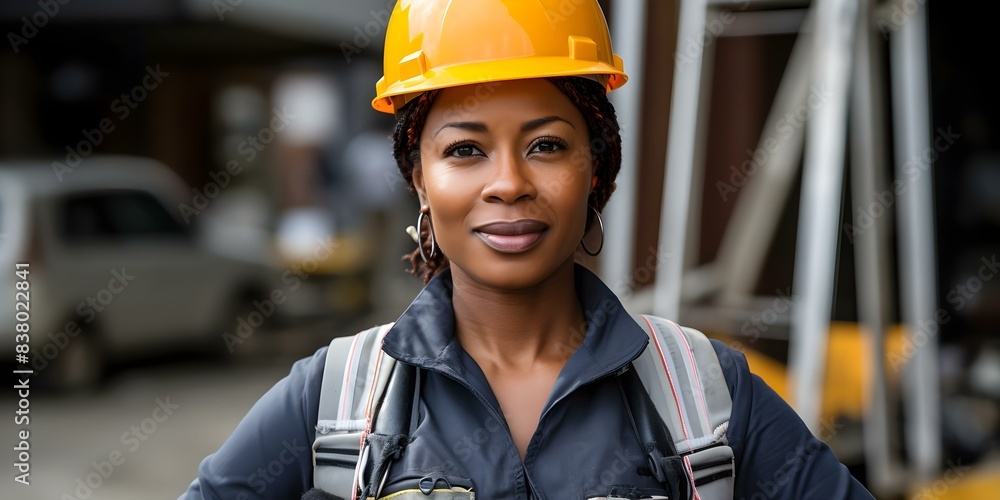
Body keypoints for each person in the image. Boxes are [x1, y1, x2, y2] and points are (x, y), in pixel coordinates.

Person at [181, 1, 876, 498]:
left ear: (597, 168)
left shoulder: (708, 395)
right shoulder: (334, 398)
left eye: (546, 145)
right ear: (419, 178)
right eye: (465, 150)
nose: (509, 183)